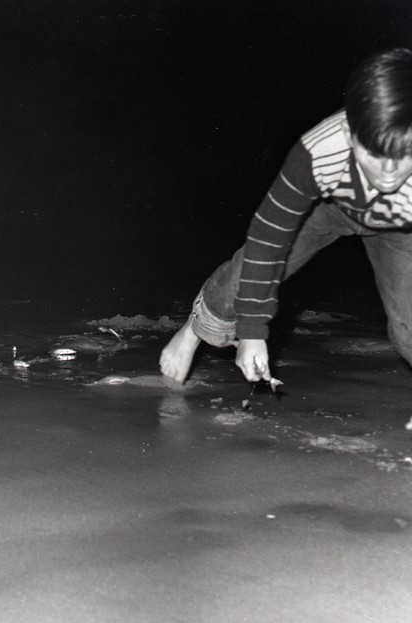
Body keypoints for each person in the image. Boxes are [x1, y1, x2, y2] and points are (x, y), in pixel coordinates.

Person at [160, 48, 412, 385]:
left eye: (405, 154)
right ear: (350, 134)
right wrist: (251, 333)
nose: (388, 174)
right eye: (374, 154)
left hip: (400, 229)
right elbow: (267, 241)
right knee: (245, 273)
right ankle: (194, 330)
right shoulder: (318, 152)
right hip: (330, 209)